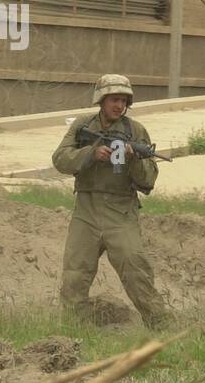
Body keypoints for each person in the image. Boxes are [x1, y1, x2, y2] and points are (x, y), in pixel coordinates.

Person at [51, 73, 169, 329]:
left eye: (124, 100)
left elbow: (148, 181)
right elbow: (60, 159)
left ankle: (161, 328)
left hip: (121, 213)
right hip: (86, 210)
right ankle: (71, 333)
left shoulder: (135, 131)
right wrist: (91, 154)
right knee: (75, 275)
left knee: (136, 271)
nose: (119, 105)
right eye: (114, 99)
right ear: (101, 100)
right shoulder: (82, 126)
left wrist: (134, 159)